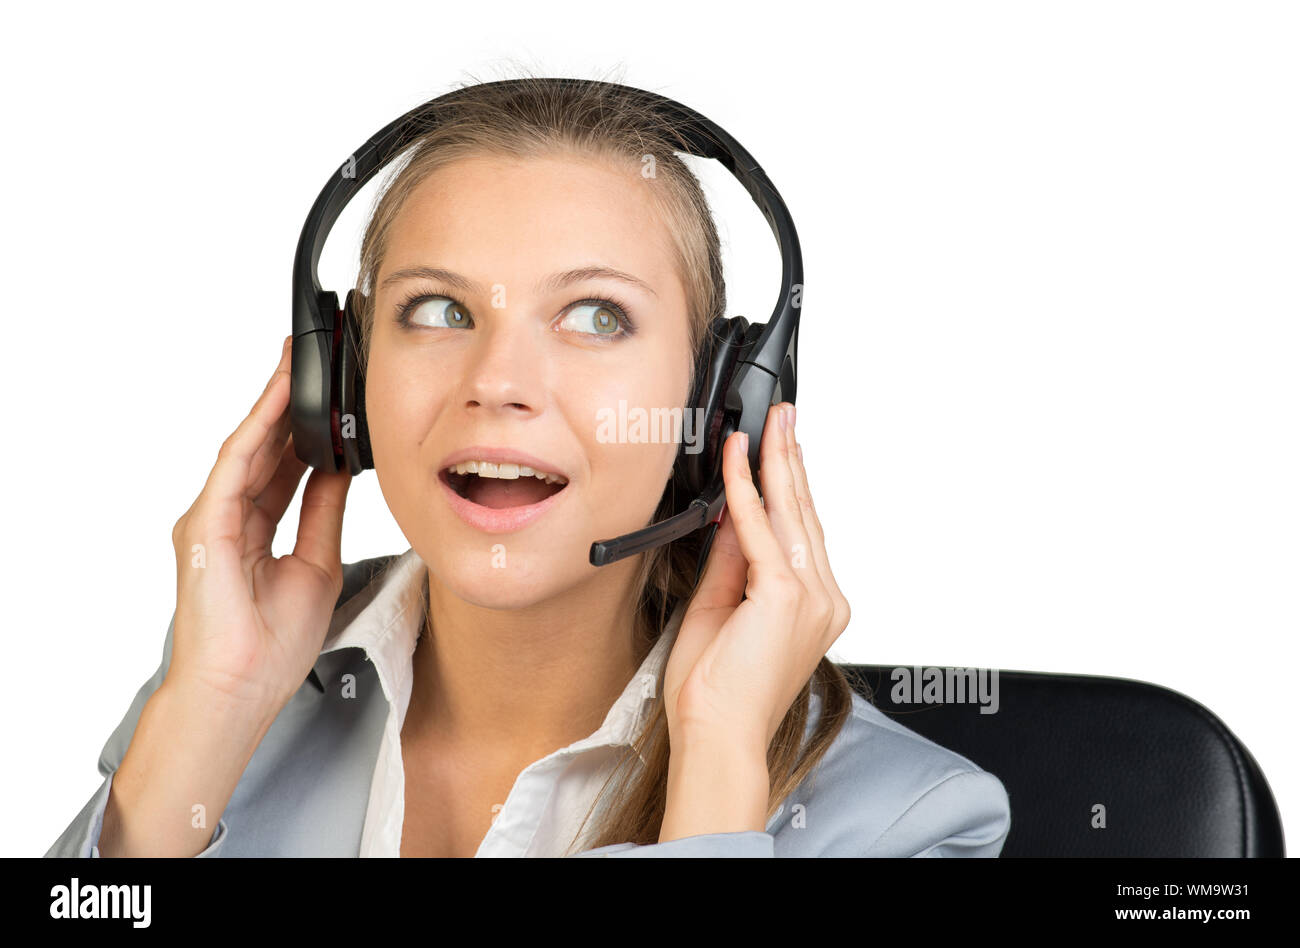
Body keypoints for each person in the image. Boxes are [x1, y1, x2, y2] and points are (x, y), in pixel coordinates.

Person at [45, 73, 1011, 857]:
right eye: (438, 310)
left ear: (720, 402)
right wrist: (211, 712)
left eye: (596, 317)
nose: (498, 381)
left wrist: (715, 778)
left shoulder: (913, 825)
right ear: (342, 380)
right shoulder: (226, 684)